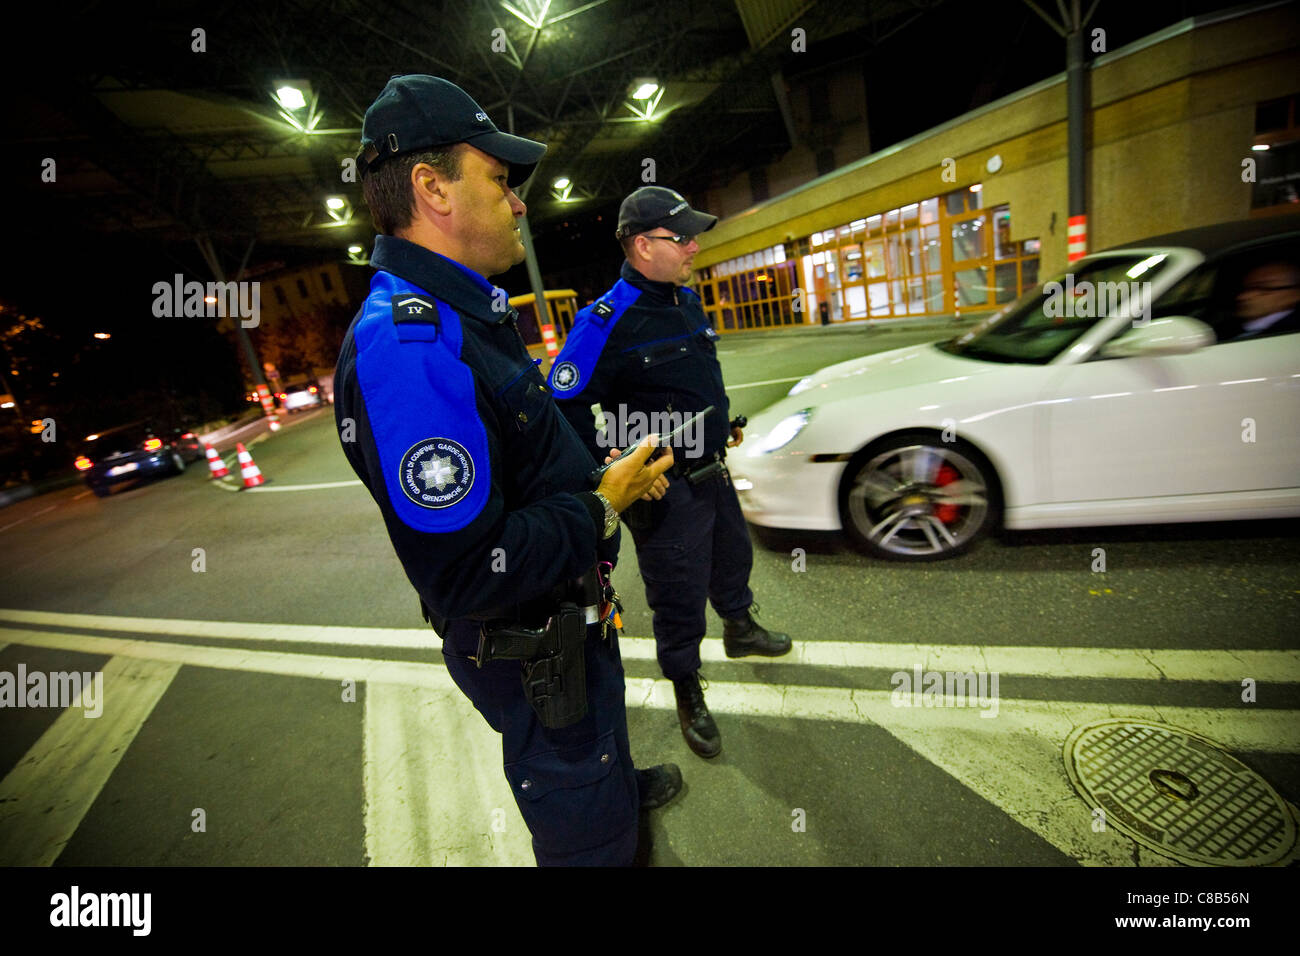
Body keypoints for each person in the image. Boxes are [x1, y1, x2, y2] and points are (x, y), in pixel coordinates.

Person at [333, 75, 681, 867]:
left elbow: (526, 448)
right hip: (531, 644)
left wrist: (599, 472)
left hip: (566, 610)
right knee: (578, 809)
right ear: (432, 188)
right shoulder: (409, 344)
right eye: (499, 178)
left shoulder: (464, 312)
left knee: (598, 746)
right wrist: (600, 505)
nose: (520, 203)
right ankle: (601, 825)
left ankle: (613, 793)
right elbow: (465, 569)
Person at [548, 186, 794, 760]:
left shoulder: (685, 301)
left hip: (712, 468)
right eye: (680, 236)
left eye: (694, 235)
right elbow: (566, 407)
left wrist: (717, 424)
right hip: (664, 489)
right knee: (678, 595)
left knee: (732, 558)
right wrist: (613, 460)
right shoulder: (604, 320)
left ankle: (740, 627)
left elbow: (690, 383)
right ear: (641, 245)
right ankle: (687, 686)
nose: (693, 246)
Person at [1224, 260, 1300, 341]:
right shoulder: (1228, 327)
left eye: (1263, 287)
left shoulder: (1289, 335)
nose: (1243, 297)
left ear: (1295, 294)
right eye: (1245, 289)